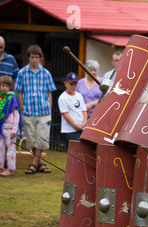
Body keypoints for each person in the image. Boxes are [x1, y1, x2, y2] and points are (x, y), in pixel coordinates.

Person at [14, 44, 57, 174]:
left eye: (37, 57)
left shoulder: (46, 73)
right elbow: (18, 91)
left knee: (41, 137)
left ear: (40, 58)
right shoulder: (22, 73)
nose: (34, 60)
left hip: (43, 111)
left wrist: (49, 107)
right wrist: (22, 106)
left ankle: (33, 164)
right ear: (28, 58)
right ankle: (40, 163)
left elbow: (50, 92)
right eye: (32, 57)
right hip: (28, 111)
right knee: (31, 138)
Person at [58, 72, 87, 151]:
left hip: (81, 129)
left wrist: (84, 122)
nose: (73, 86)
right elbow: (65, 114)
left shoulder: (79, 95)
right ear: (66, 83)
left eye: (75, 84)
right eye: (71, 84)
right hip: (70, 130)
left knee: (82, 152)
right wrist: (75, 126)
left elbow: (84, 110)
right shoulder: (63, 97)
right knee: (73, 153)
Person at [0, 75, 21, 176]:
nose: (4, 87)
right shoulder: (0, 98)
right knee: (1, 148)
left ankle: (10, 169)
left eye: (6, 86)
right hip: (1, 128)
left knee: (11, 149)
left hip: (10, 128)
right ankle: (1, 167)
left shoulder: (12, 99)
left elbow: (17, 116)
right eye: (2, 85)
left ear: (10, 87)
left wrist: (14, 130)